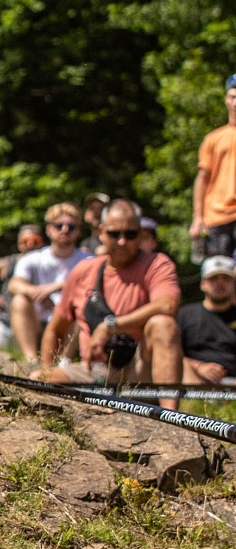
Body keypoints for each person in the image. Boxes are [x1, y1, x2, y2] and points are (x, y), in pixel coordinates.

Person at [39, 201, 181, 408]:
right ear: (101, 232)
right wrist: (46, 368)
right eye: (115, 234)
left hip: (139, 369)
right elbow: (56, 328)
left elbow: (168, 305)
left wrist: (111, 326)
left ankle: (172, 417)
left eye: (130, 234)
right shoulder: (83, 270)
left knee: (163, 324)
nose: (122, 241)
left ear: (141, 234)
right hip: (94, 371)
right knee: (39, 379)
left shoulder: (157, 264)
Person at [7, 203, 90, 362]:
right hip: (38, 323)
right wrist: (37, 292)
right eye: (59, 226)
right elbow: (14, 284)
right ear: (49, 229)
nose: (65, 230)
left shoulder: (88, 260)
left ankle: (64, 361)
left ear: (78, 231)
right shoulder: (33, 258)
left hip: (70, 325)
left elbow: (92, 289)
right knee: (19, 300)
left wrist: (56, 287)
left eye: (71, 227)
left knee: (82, 303)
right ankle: (31, 361)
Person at [192, 75, 236, 259]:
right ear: (226, 100)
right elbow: (202, 179)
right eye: (233, 97)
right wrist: (197, 218)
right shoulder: (213, 139)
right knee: (218, 276)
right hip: (217, 217)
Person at [179, 255, 236, 384]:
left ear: (233, 283)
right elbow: (171, 354)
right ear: (203, 283)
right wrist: (199, 367)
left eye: (226, 278)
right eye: (214, 278)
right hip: (191, 380)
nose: (220, 283)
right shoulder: (184, 315)